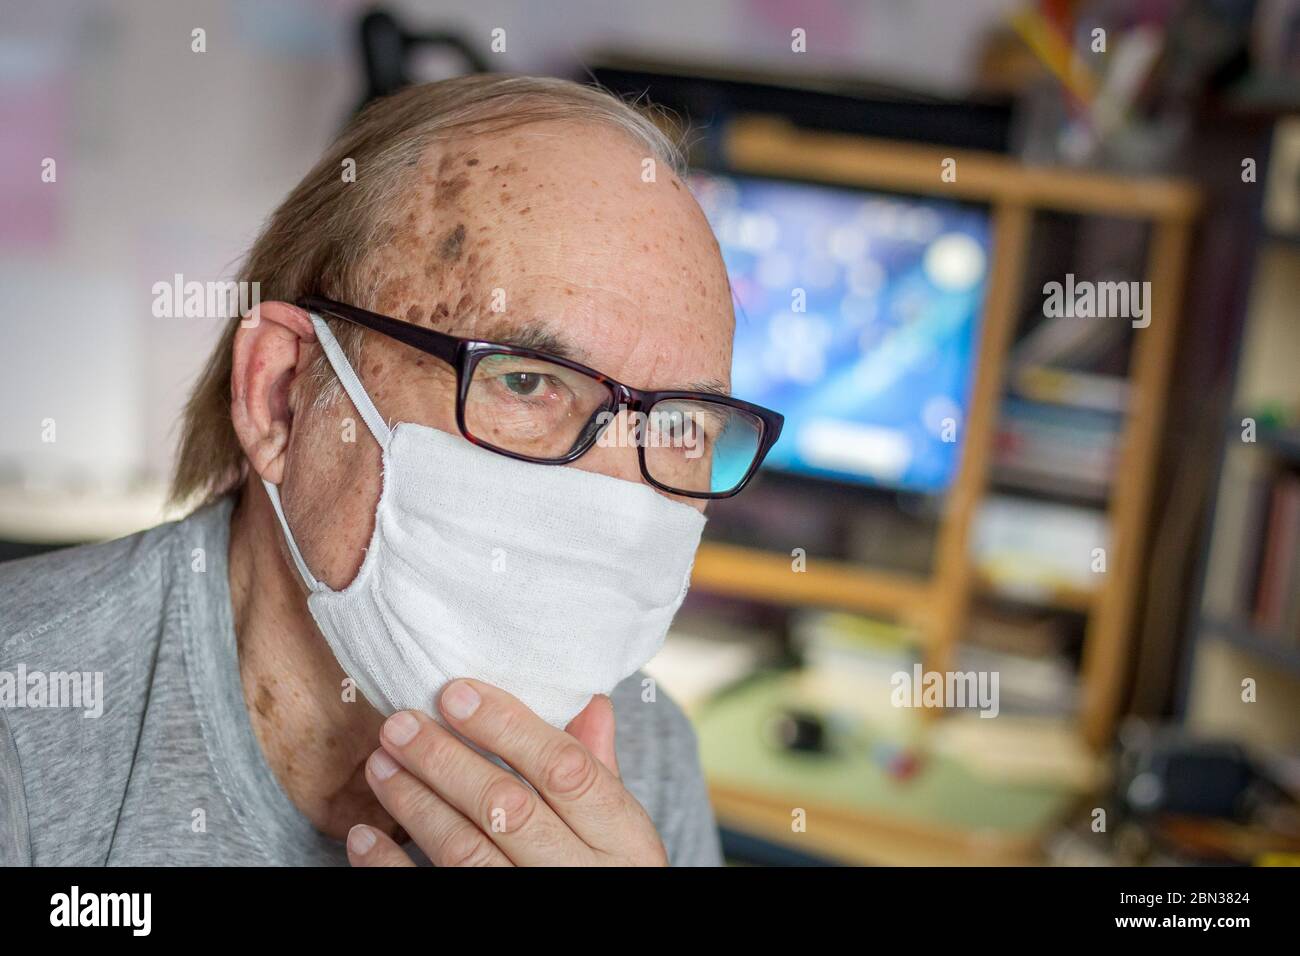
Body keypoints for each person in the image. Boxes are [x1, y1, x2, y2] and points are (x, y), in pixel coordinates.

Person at [0, 75, 781, 866]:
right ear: (281, 396)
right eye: (526, 381)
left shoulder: (637, 762)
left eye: (683, 423)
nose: (622, 493)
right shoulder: (26, 722)